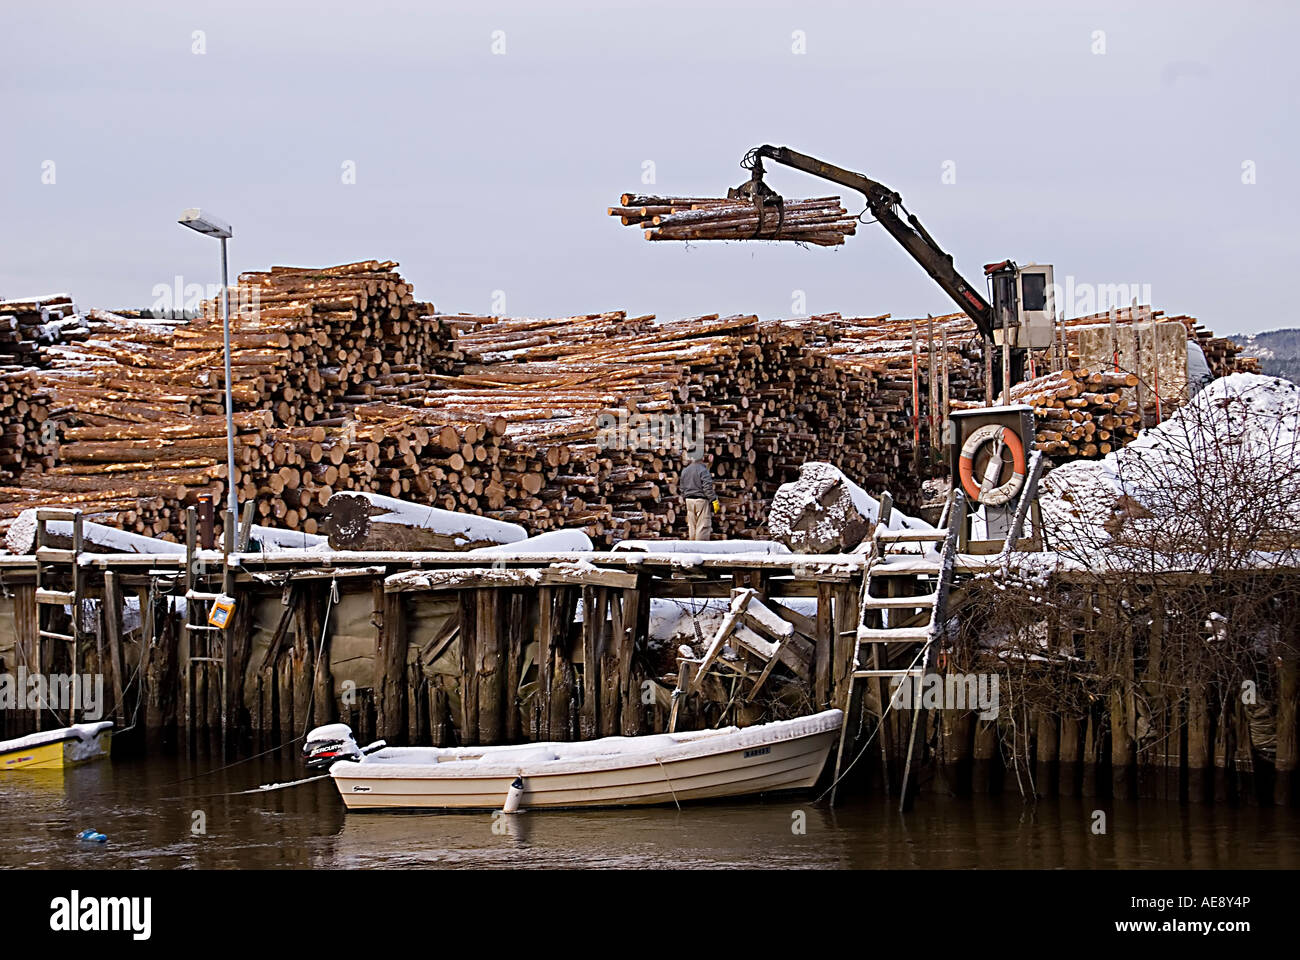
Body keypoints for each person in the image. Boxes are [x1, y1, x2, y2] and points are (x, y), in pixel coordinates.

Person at [679, 453, 719, 541]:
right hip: (701, 500)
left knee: (692, 526)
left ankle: (692, 547)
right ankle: (701, 549)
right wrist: (714, 500)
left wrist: (685, 497)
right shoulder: (703, 470)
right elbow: (707, 487)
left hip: (688, 500)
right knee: (703, 525)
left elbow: (682, 488)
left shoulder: (685, 470)